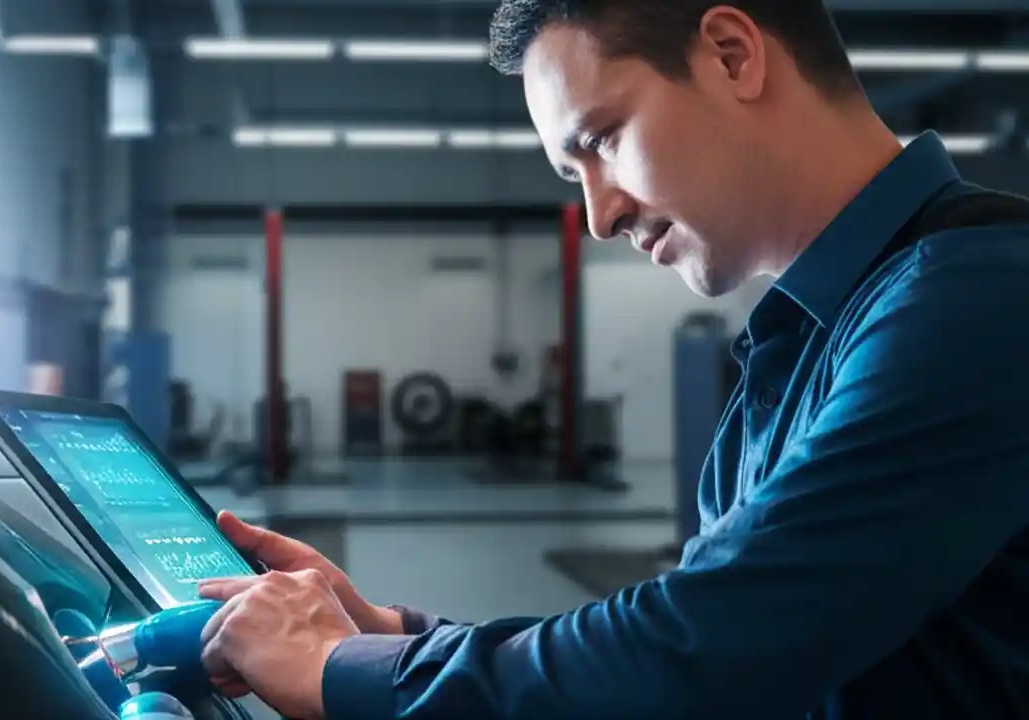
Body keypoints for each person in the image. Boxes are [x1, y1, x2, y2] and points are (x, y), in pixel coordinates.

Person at [197, 1, 1029, 717]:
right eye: (573, 172)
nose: (598, 215)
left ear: (732, 55)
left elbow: (699, 655)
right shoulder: (807, 346)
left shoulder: (978, 298)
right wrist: (390, 637)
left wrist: (344, 673)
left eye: (602, 139)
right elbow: (697, 640)